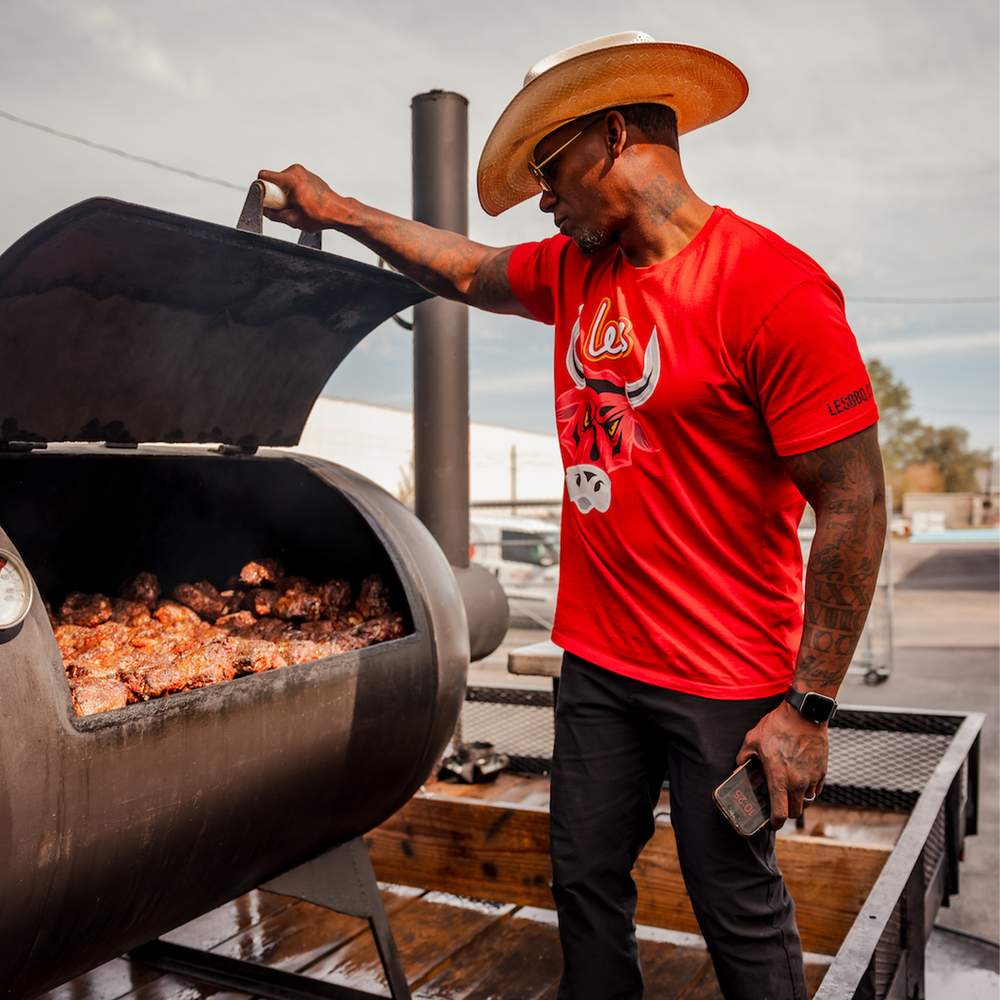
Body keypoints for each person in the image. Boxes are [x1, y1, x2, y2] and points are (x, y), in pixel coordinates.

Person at [260, 31, 886, 1000]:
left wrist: (807, 709)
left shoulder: (773, 290)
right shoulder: (574, 272)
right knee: (584, 882)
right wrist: (337, 210)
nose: (543, 201)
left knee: (734, 902)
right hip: (599, 665)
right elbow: (463, 268)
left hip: (727, 679)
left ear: (615, 134)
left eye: (549, 172)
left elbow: (854, 504)